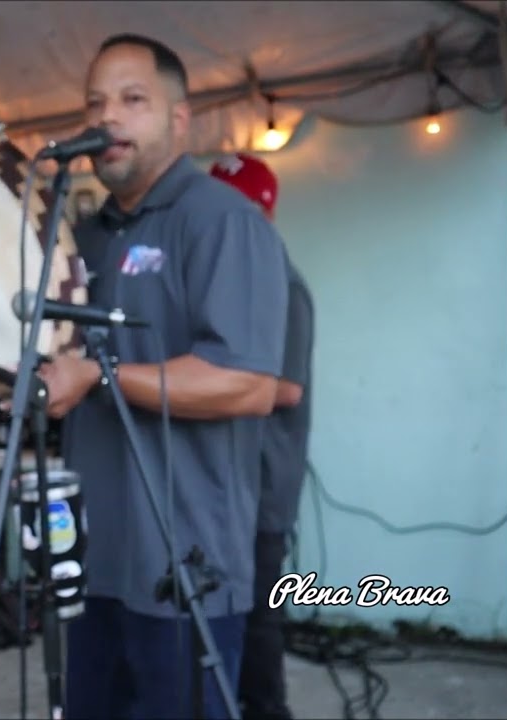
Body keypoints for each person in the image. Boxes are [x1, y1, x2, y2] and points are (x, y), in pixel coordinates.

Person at [34, 34, 290, 719]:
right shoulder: (81, 238)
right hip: (92, 565)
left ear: (180, 120)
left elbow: (247, 384)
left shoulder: (223, 222)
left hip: (186, 569)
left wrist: (99, 374)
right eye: (95, 102)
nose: (107, 117)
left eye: (132, 100)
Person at [210, 152, 315, 720]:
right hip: (223, 479)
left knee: (257, 616)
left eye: (234, 211)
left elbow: (286, 390)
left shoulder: (286, 286)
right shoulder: (228, 284)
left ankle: (267, 711)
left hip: (265, 482)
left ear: (263, 215)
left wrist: (200, 386)